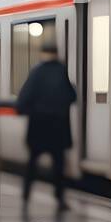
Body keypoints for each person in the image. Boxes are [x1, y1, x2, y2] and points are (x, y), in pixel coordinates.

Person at [15, 42, 77, 211]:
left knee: (32, 162)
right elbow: (72, 96)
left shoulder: (37, 72)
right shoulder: (61, 71)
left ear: (42, 53)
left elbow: (24, 98)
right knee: (58, 165)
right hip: (58, 127)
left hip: (38, 126)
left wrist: (28, 110)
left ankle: (26, 194)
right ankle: (60, 198)